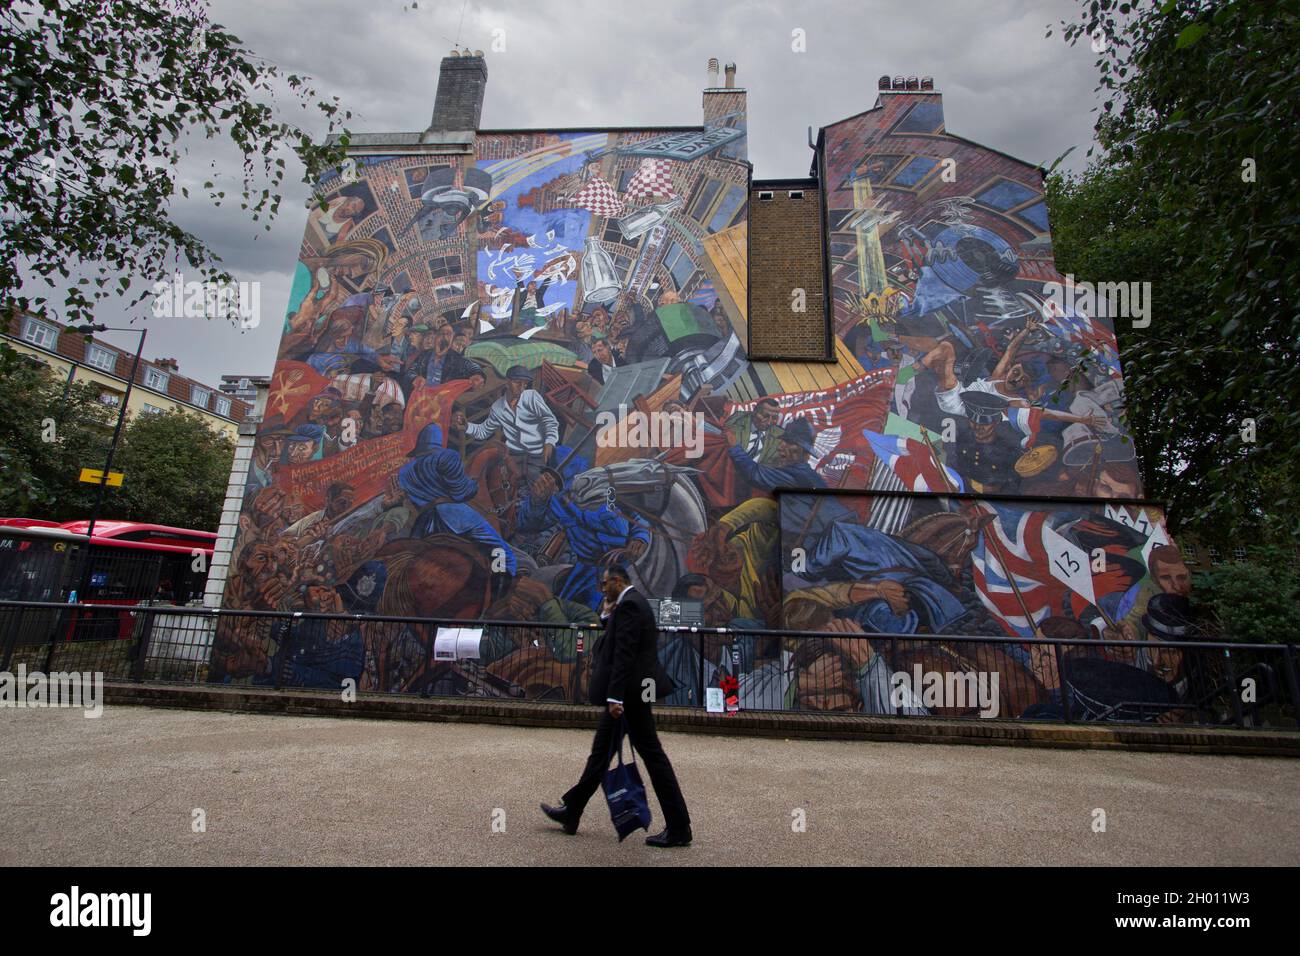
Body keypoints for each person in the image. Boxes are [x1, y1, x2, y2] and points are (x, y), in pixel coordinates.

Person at [540, 564, 693, 848]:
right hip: (629, 696)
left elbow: (625, 653)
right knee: (600, 755)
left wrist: (615, 697)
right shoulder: (628, 605)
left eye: (605, 583)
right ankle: (572, 811)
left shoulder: (632, 606)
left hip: (629, 698)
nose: (601, 588)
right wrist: (607, 613)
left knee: (653, 757)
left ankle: (679, 827)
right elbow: (617, 640)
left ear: (618, 581)